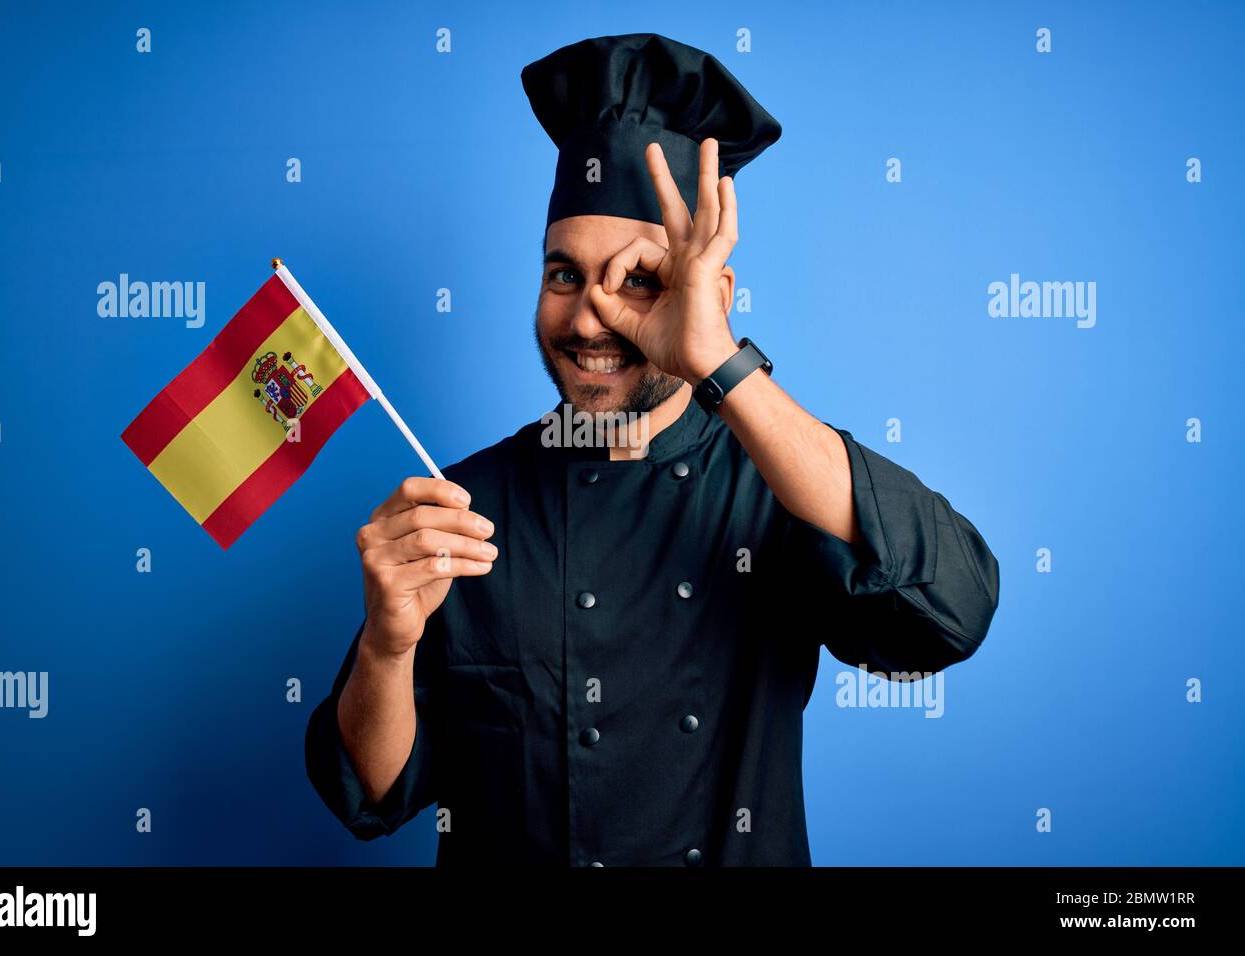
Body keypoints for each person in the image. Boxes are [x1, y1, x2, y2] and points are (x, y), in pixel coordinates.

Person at [305, 32, 1000, 866]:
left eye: (639, 281)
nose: (590, 317)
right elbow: (371, 795)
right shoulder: (461, 510)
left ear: (713, 297)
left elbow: (951, 612)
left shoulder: (778, 490)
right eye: (564, 275)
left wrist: (716, 361)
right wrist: (386, 646)